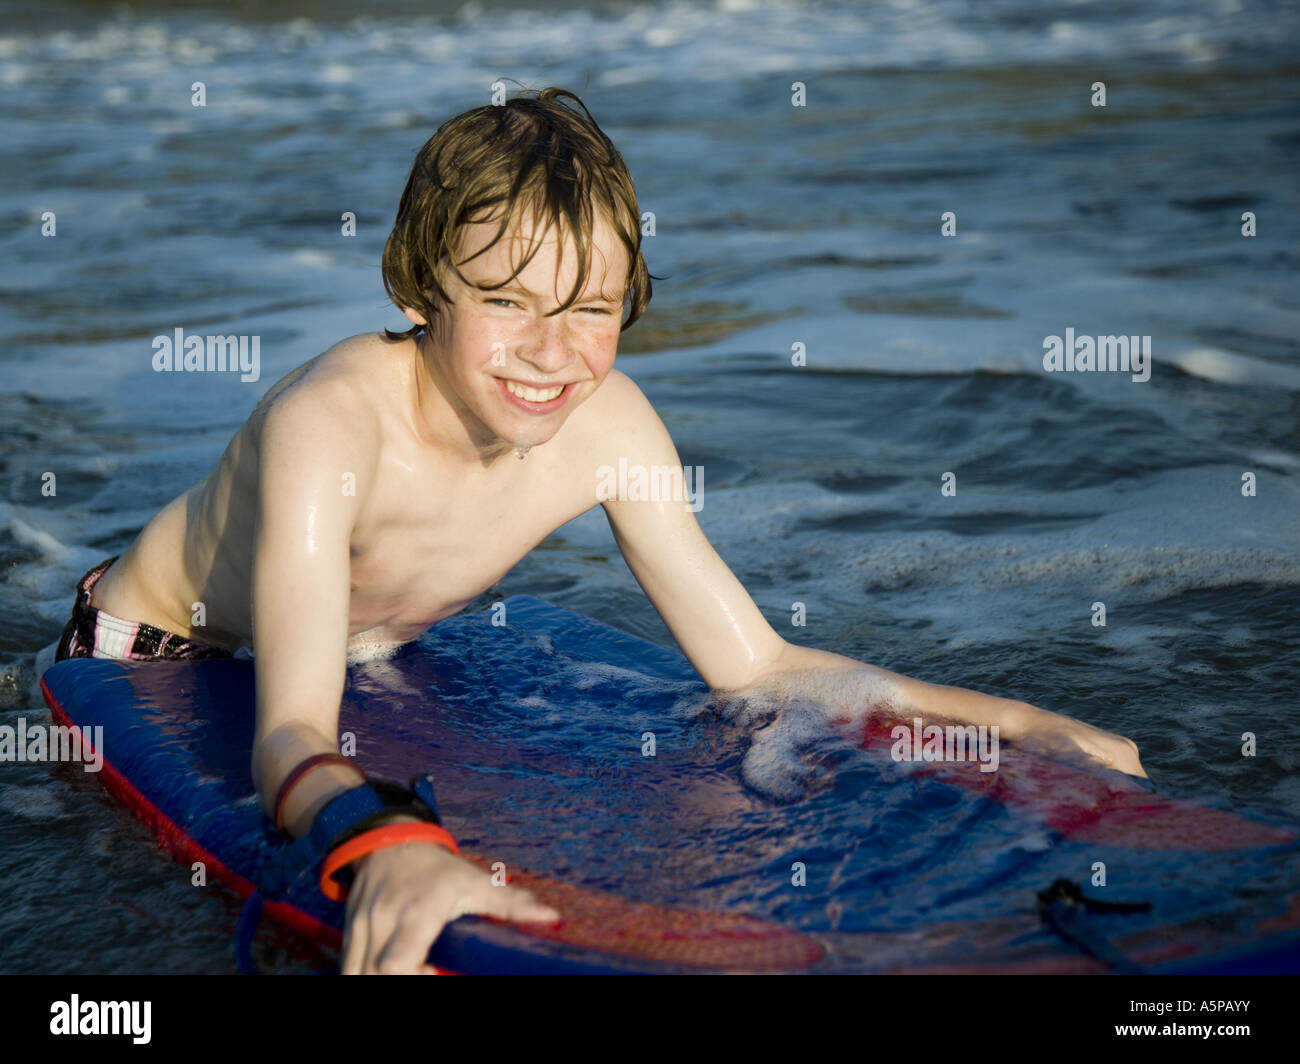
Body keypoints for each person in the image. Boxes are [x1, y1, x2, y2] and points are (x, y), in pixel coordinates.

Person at [52, 87, 1145, 974]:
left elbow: (755, 662)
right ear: (423, 283)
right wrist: (386, 846)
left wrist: (1012, 722)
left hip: (369, 653)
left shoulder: (608, 426)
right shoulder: (327, 425)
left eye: (590, 308)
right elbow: (289, 731)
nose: (551, 351)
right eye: (508, 301)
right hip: (156, 660)